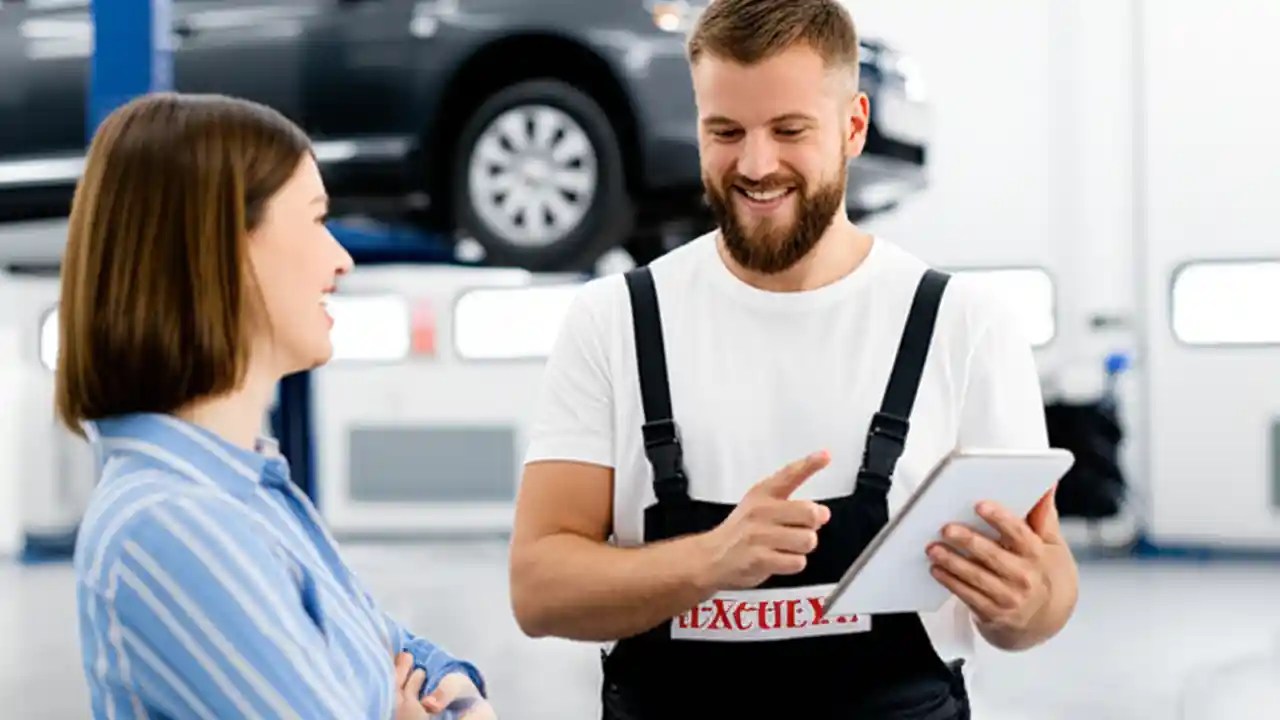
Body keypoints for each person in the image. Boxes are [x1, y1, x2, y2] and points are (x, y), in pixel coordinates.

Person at [508, 0, 1079, 717]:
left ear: (854, 126)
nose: (755, 165)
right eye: (725, 131)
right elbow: (537, 590)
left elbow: (1048, 584)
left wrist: (1023, 605)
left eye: (788, 131)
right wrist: (711, 561)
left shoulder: (963, 327)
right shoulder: (614, 323)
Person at [57, 92, 496, 720]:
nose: (341, 260)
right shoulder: (172, 523)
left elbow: (411, 655)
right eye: (317, 221)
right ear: (226, 249)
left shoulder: (248, 494)